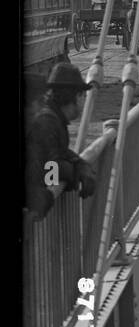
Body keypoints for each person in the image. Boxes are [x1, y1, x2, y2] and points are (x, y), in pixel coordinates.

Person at [25, 63, 98, 221]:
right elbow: (50, 168)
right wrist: (74, 173)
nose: (84, 101)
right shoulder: (47, 122)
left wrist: (79, 163)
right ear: (76, 96)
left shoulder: (54, 119)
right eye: (83, 96)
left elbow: (60, 154)